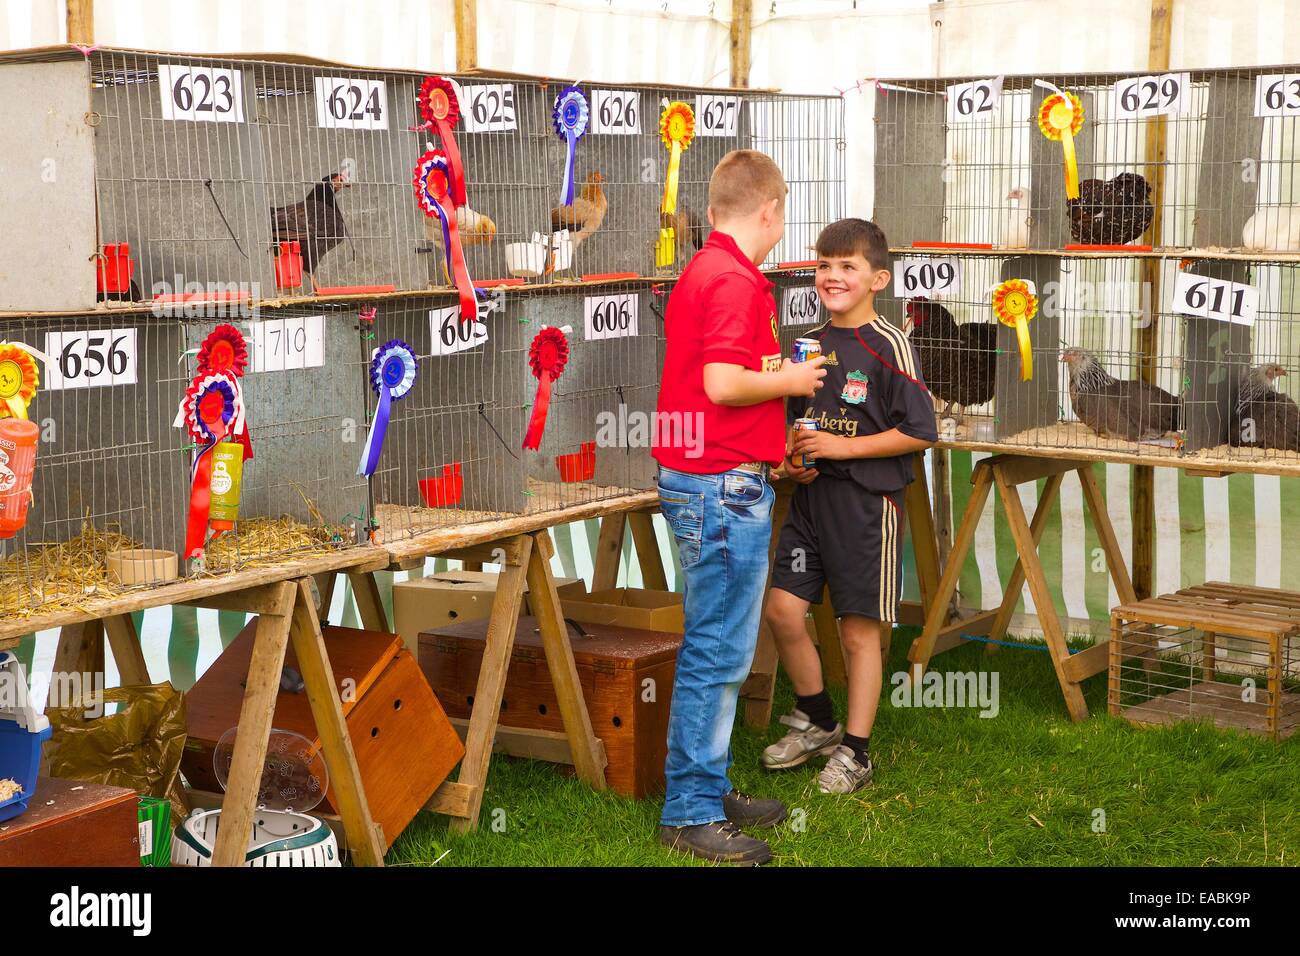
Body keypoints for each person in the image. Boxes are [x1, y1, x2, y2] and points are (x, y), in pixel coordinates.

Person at [652, 149, 827, 865]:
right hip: (719, 485)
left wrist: (768, 441)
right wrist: (793, 377)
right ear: (770, 210)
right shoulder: (729, 279)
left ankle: (707, 783)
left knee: (718, 645)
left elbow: (711, 389)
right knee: (718, 650)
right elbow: (723, 383)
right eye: (784, 212)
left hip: (716, 473)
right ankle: (690, 811)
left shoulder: (711, 270)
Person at [761, 218, 937, 794]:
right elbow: (794, 422)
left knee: (858, 631)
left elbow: (921, 430)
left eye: (847, 266)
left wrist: (845, 448)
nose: (832, 276)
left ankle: (856, 753)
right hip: (811, 499)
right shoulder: (807, 342)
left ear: (877, 278)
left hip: (868, 508)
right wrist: (790, 458)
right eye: (823, 265)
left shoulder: (891, 345)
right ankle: (818, 719)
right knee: (784, 611)